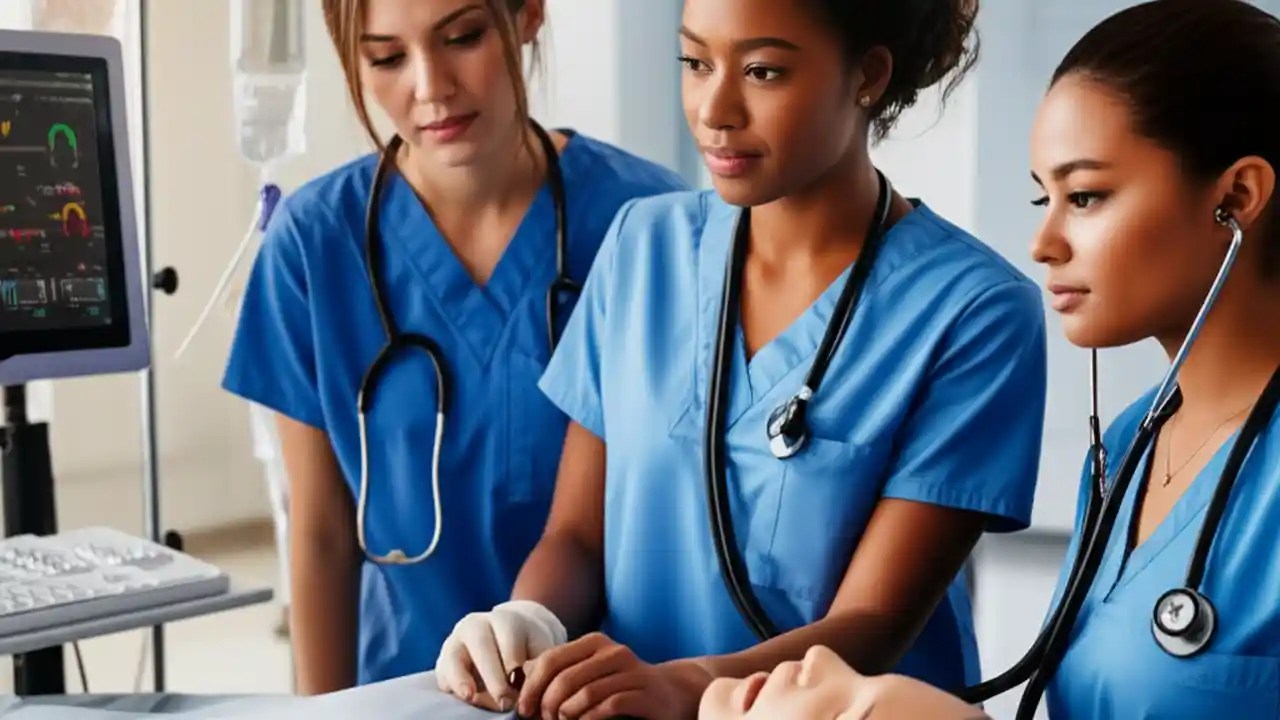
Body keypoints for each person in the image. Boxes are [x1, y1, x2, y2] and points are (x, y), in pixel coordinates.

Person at [435, 0, 1049, 717]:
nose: (714, 109)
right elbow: (576, 536)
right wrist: (527, 620)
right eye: (695, 63)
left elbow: (874, 625)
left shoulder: (973, 312)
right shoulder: (645, 245)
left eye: (762, 71)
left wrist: (687, 688)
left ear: (868, 75)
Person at [738, 1, 1280, 718]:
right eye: (1043, 197)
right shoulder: (1126, 449)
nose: (1043, 242)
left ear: (1236, 198)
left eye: (1085, 196)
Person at [221, 0, 687, 694]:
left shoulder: (652, 223)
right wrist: (324, 716)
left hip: (603, 687)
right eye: (385, 57)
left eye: (463, 37)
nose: (431, 86)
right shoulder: (315, 243)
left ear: (529, 15)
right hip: (405, 689)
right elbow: (320, 536)